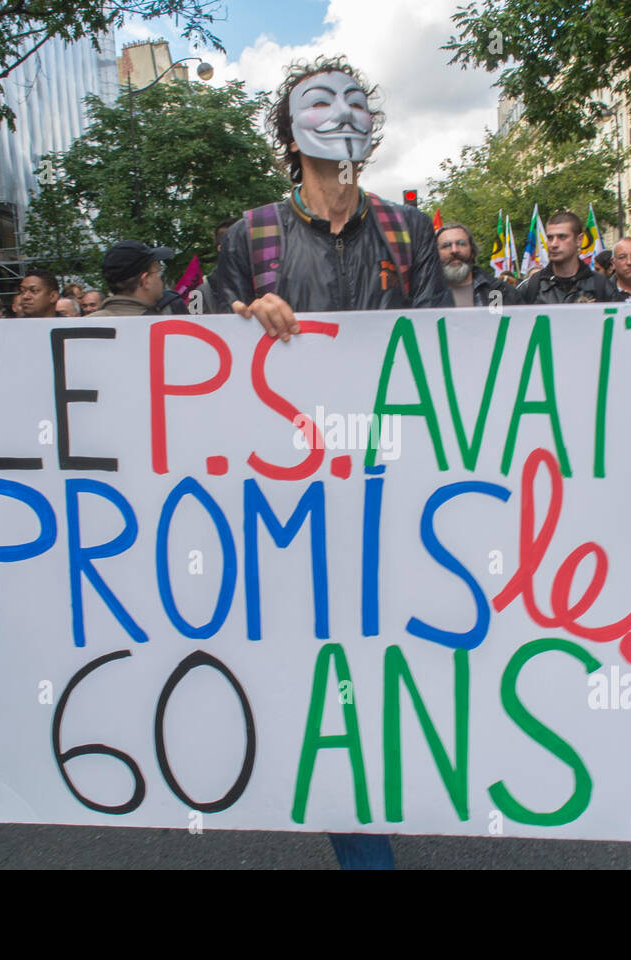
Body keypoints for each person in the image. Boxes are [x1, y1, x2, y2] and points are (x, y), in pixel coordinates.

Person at [212, 57, 452, 869]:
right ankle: (362, 835)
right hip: (295, 499)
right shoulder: (249, 236)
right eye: (320, 102)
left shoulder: (407, 230)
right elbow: (205, 371)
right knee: (333, 656)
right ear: (291, 129)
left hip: (393, 483)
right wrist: (246, 317)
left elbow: (440, 351)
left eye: (356, 103)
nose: (341, 115)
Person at [516, 211, 618, 304]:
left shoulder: (601, 285)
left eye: (562, 237)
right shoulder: (531, 286)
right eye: (550, 238)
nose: (554, 244)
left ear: (579, 240)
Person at [436, 222, 522, 307]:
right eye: (446, 246)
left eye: (461, 243)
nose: (454, 250)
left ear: (472, 251)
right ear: (435, 254)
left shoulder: (503, 292)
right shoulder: (425, 294)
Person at [87, 241, 175, 317]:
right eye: (157, 271)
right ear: (145, 281)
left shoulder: (82, 325)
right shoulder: (166, 328)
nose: (159, 279)